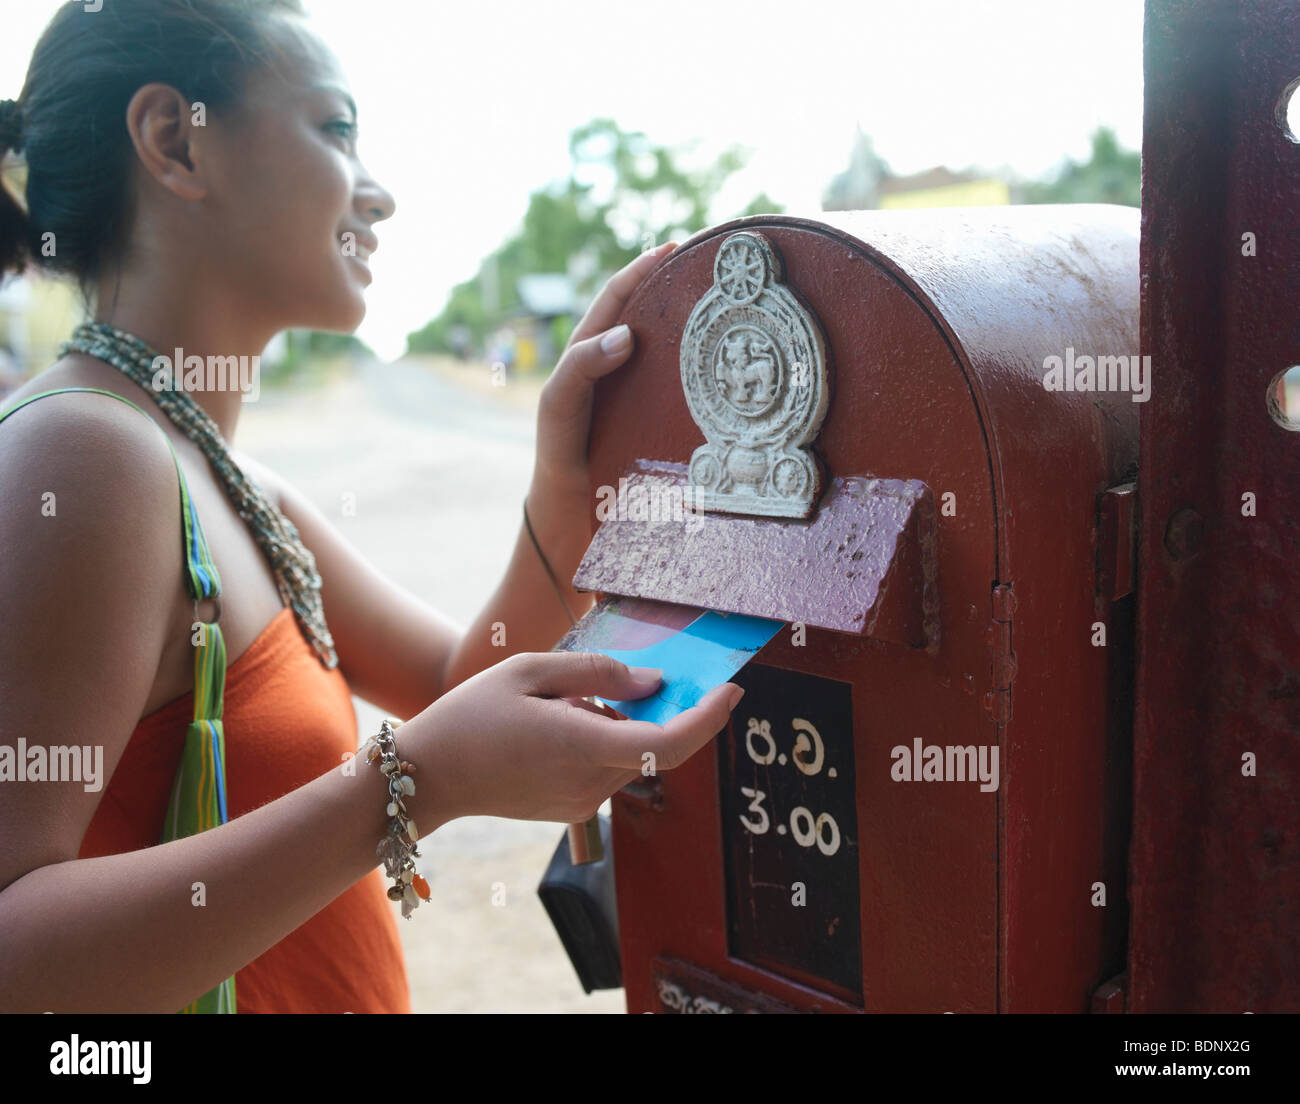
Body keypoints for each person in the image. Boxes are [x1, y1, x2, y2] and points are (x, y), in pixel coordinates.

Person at [0, 0, 742, 1014]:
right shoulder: (83, 454)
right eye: (337, 130)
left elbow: (455, 680)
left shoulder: (234, 483)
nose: (379, 196)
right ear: (177, 142)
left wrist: (559, 490)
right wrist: (419, 786)